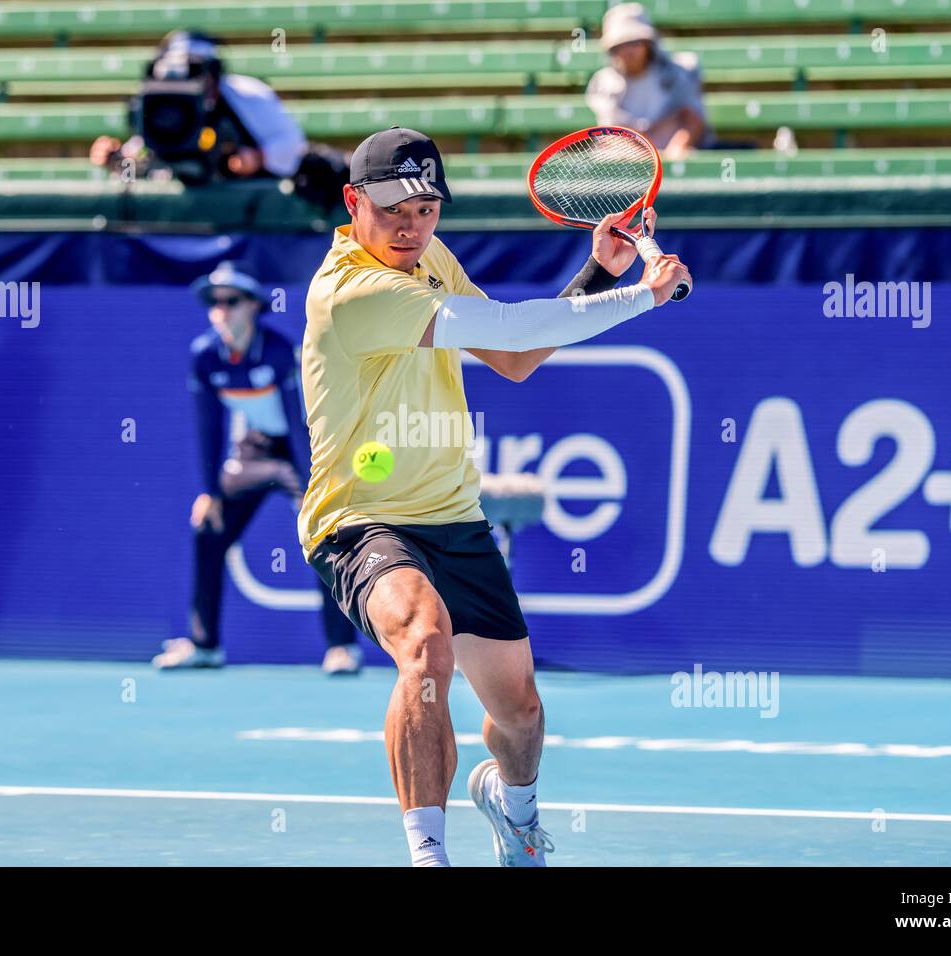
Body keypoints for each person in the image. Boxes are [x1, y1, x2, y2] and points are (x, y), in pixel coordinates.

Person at [299, 127, 691, 866]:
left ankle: (516, 816)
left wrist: (596, 280)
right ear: (352, 203)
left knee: (520, 713)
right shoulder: (353, 292)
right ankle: (428, 854)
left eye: (425, 208)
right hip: (361, 519)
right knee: (424, 645)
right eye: (391, 209)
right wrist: (646, 295)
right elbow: (510, 324)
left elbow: (512, 356)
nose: (411, 226)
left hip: (452, 515)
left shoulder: (428, 256)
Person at [153, 262, 363, 674]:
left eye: (231, 301)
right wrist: (210, 491)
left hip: (306, 448)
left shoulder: (280, 351)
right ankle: (204, 644)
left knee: (322, 534)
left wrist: (313, 485)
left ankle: (341, 647)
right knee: (207, 529)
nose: (221, 310)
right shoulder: (205, 357)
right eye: (214, 303)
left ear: (252, 307)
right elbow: (209, 426)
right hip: (255, 450)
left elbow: (301, 422)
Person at [90, 31, 348, 207]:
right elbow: (147, 150)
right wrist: (118, 160)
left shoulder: (245, 94)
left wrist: (260, 157)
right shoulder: (162, 104)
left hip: (253, 203)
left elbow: (292, 143)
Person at [585, 3, 713, 159]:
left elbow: (693, 120)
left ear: (647, 43)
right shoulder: (604, 83)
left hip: (674, 156)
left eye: (634, 42)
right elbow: (610, 135)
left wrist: (677, 149)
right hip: (629, 163)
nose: (628, 51)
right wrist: (646, 159)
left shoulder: (678, 72)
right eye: (620, 46)